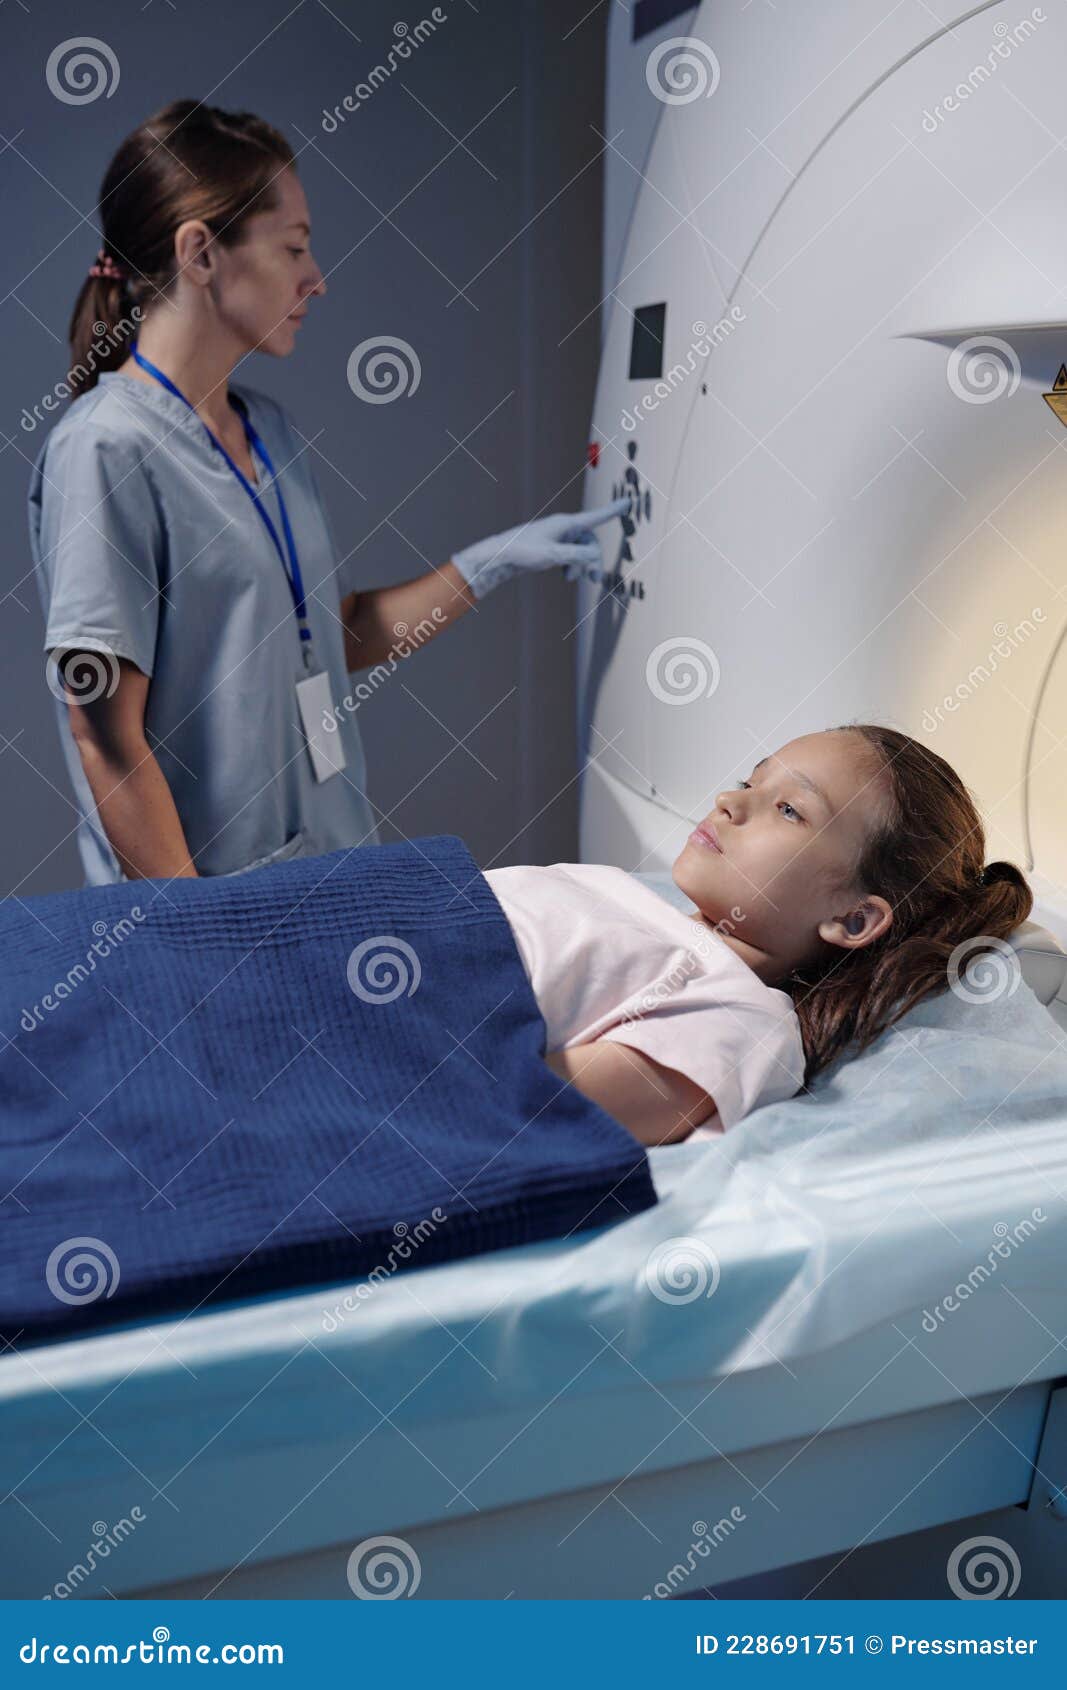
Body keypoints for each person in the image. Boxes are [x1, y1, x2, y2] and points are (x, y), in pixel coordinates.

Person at [28, 98, 624, 885]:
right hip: (210, 916)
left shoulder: (269, 433)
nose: (315, 279)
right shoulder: (105, 447)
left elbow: (322, 638)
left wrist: (488, 564)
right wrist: (201, 930)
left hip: (327, 872)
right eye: (293, 247)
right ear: (200, 253)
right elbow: (102, 733)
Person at [486, 724, 1034, 1147]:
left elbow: (510, 1105)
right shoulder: (615, 889)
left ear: (853, 919)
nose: (730, 799)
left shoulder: (741, 1018)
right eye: (753, 781)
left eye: (790, 810)